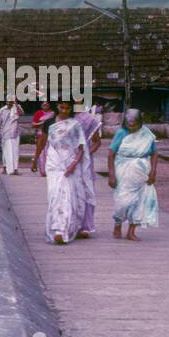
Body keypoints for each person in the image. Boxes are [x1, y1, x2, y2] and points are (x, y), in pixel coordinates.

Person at [39, 101, 95, 245]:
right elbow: (42, 141)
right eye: (61, 107)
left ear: (71, 109)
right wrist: (35, 159)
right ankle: (56, 226)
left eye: (67, 107)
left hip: (70, 161)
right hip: (54, 162)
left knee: (69, 195)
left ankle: (61, 230)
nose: (64, 110)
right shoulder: (49, 123)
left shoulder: (75, 125)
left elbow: (82, 147)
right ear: (57, 106)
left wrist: (73, 164)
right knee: (55, 195)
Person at [107, 108, 159, 241]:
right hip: (123, 169)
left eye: (134, 123)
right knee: (122, 201)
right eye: (129, 123)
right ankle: (118, 224)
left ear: (140, 122)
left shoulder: (147, 134)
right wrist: (111, 175)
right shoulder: (121, 133)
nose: (131, 126)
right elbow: (111, 154)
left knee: (139, 201)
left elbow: (154, 153)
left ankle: (131, 231)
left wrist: (153, 171)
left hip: (141, 170)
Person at [76, 107, 104, 237]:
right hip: (67, 160)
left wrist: (86, 154)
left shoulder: (89, 119)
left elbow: (97, 142)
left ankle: (85, 226)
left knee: (87, 191)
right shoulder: (64, 117)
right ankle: (70, 224)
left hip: (85, 162)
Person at [0, 100, 23, 174]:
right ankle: (5, 168)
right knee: (5, 151)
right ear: (6, 102)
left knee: (15, 151)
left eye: (12, 102)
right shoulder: (2, 110)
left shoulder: (17, 108)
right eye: (9, 101)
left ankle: (15, 169)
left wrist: (16, 104)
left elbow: (21, 113)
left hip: (15, 133)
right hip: (5, 133)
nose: (10, 103)